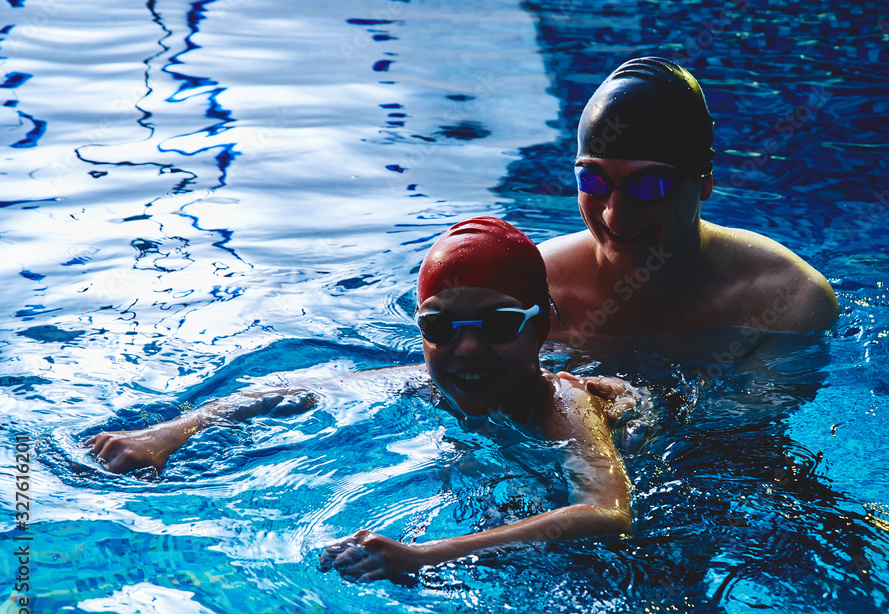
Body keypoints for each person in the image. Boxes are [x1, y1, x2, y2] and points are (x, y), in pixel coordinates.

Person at [87, 217, 635, 582]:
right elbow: (300, 390)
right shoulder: (431, 382)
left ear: (542, 330)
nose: (467, 348)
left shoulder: (563, 404)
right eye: (441, 326)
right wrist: (171, 431)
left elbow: (609, 511)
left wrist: (422, 555)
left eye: (498, 324)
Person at [539, 57, 839, 344]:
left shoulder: (787, 300)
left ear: (705, 183)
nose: (615, 216)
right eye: (594, 181)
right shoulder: (538, 288)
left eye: (648, 186)